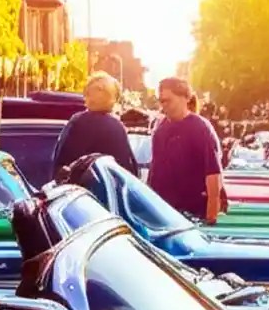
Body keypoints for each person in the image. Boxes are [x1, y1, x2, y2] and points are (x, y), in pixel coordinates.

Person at [149, 77, 224, 224]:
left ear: (185, 98)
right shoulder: (160, 129)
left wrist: (211, 218)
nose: (164, 106)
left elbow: (213, 175)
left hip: (194, 214)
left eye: (168, 100)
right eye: (161, 101)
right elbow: (155, 171)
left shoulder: (200, 128)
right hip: (164, 212)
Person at [51, 72, 139, 176]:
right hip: (107, 189)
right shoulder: (116, 127)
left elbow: (60, 165)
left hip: (76, 189)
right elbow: (128, 170)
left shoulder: (77, 122)